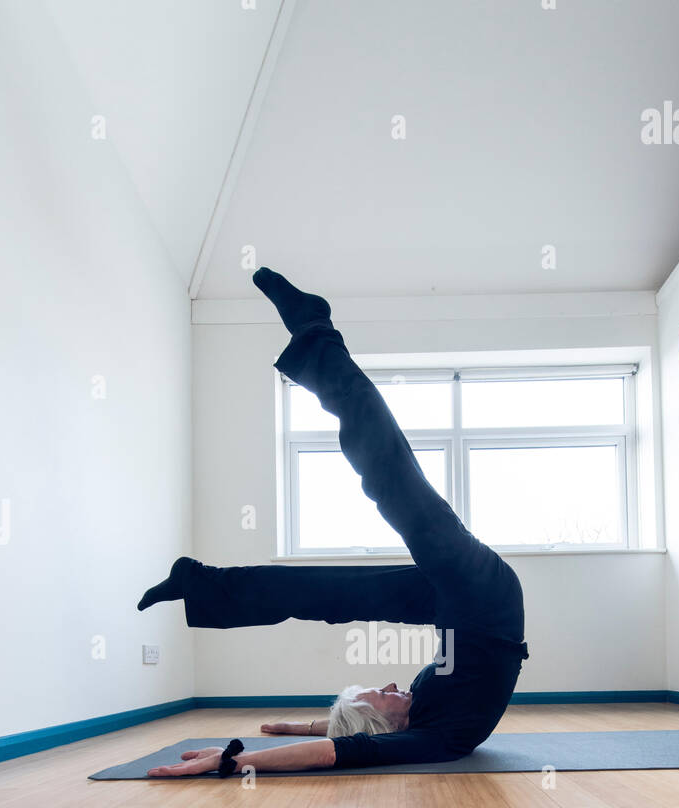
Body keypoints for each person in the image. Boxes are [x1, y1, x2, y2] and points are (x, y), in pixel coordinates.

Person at [138, 268, 528, 777]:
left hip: (456, 605)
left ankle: (201, 584)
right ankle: (314, 331)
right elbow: (338, 751)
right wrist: (234, 761)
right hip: (485, 598)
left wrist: (292, 727)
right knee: (390, 480)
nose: (391, 685)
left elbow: (339, 736)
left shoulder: (404, 721)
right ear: (382, 729)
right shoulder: (435, 737)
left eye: (377, 692)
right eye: (379, 696)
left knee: (328, 593)